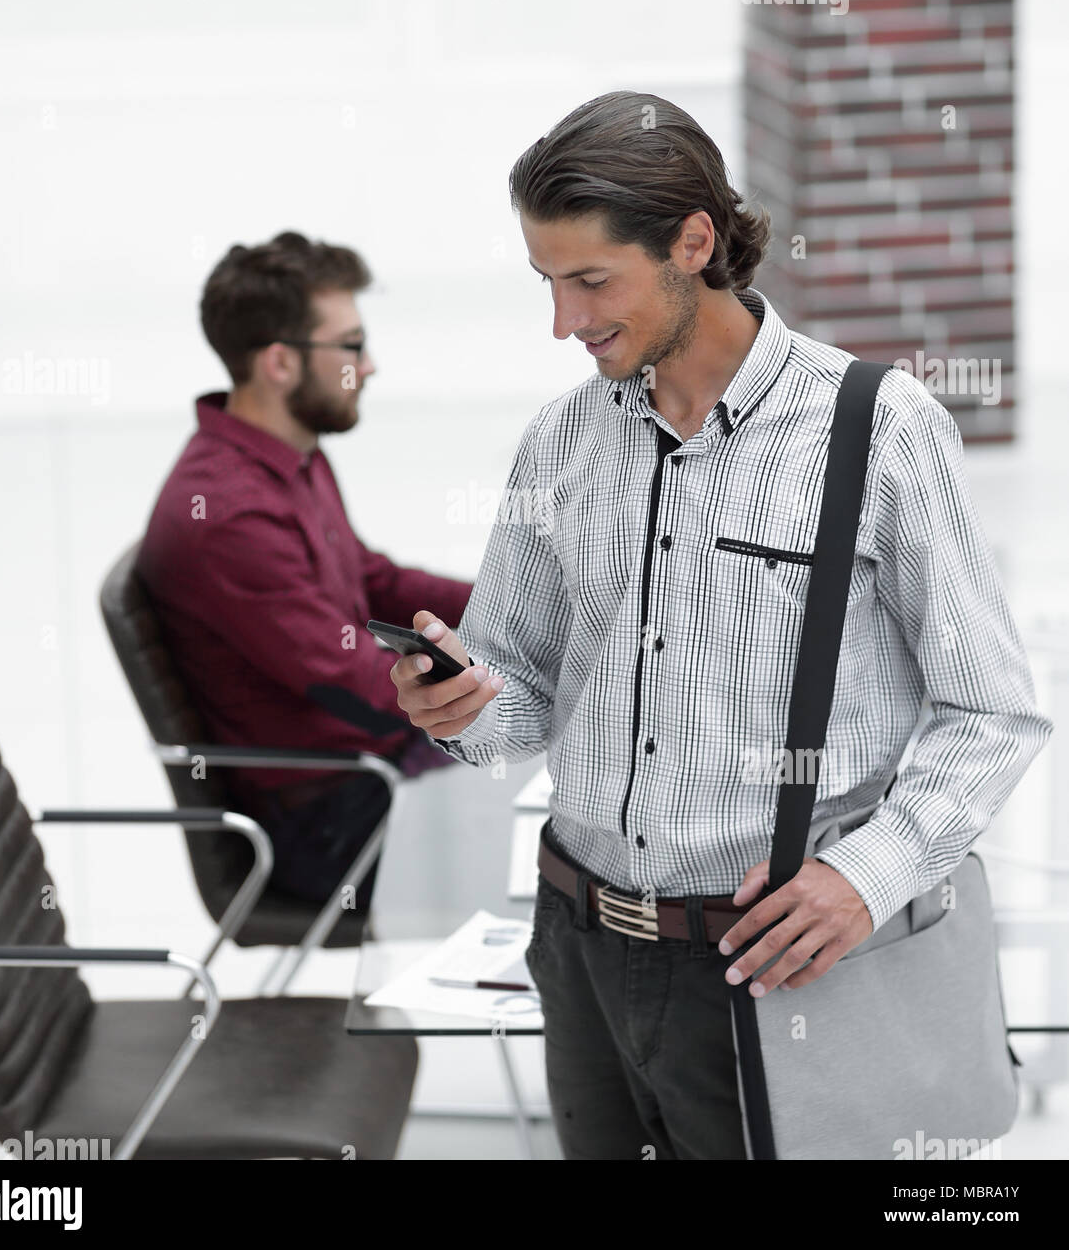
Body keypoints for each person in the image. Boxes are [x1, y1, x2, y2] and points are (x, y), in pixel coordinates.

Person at [390, 90, 1052, 1159]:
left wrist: (864, 878)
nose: (564, 321)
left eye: (590, 280)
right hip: (581, 949)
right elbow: (521, 695)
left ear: (692, 243)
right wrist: (460, 701)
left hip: (773, 966)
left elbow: (992, 712)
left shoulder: (877, 432)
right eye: (546, 283)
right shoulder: (560, 442)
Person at [138, 231, 472, 906]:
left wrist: (522, 599)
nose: (369, 366)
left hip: (369, 773)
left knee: (581, 794)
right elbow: (347, 685)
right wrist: (503, 691)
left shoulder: (291, 455)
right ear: (281, 363)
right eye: (350, 348)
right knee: (575, 830)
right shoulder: (229, 515)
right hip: (327, 826)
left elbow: (374, 582)